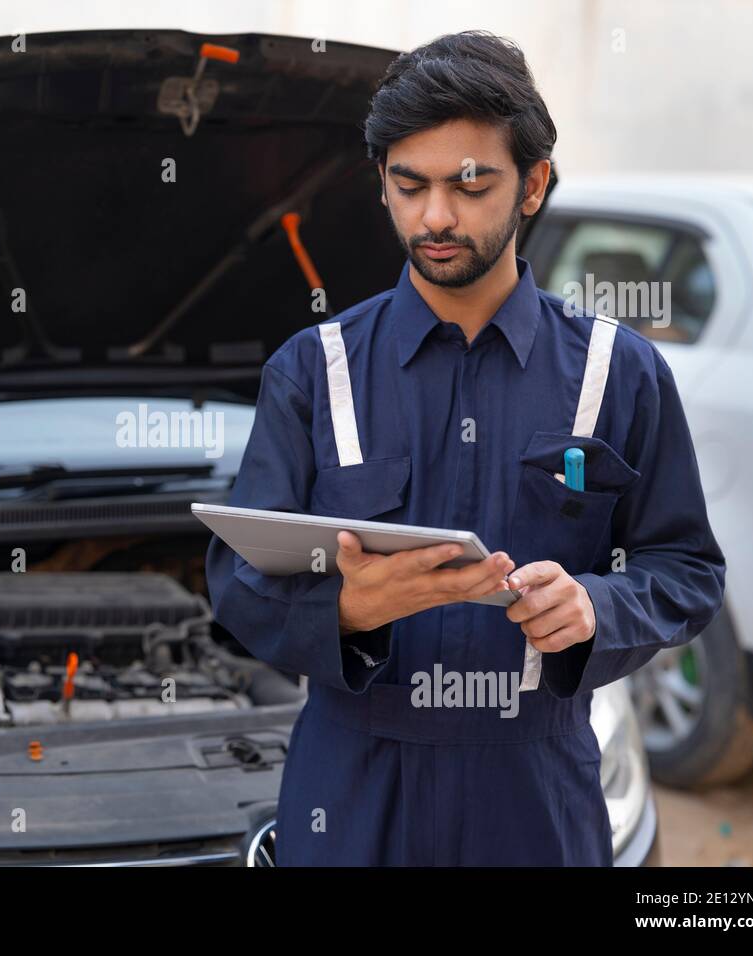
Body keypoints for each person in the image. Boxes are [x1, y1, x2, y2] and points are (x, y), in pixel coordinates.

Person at [203, 31, 726, 865]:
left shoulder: (617, 374)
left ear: (534, 184)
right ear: (382, 183)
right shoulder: (314, 371)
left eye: (470, 184)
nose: (436, 215)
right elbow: (237, 581)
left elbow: (686, 569)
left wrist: (598, 608)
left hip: (536, 787)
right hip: (351, 784)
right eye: (409, 185)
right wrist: (345, 611)